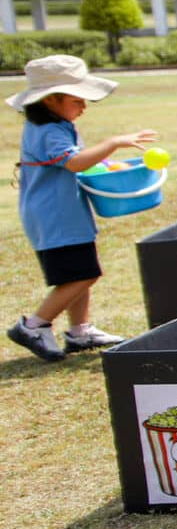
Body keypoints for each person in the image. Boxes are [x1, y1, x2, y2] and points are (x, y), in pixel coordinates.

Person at [8, 55, 155, 362]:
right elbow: (74, 162)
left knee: (78, 271)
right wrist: (114, 143)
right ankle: (33, 326)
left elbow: (76, 159)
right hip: (55, 217)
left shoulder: (56, 124)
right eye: (77, 100)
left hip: (64, 214)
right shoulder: (49, 131)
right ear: (51, 99)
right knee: (82, 275)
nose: (84, 107)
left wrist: (105, 163)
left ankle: (80, 331)